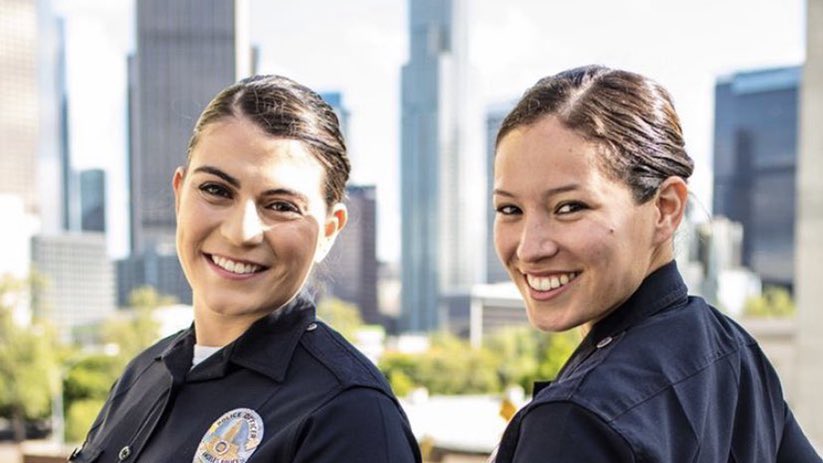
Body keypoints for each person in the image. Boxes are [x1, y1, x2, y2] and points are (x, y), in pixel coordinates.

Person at [69, 75, 422, 463]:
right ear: (179, 195)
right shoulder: (142, 374)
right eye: (216, 190)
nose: (241, 233)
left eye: (281, 206)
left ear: (328, 231)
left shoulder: (351, 417)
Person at [489, 65, 821, 462]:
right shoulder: (734, 351)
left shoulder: (575, 420)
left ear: (665, 208)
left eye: (569, 207)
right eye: (510, 209)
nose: (529, 248)